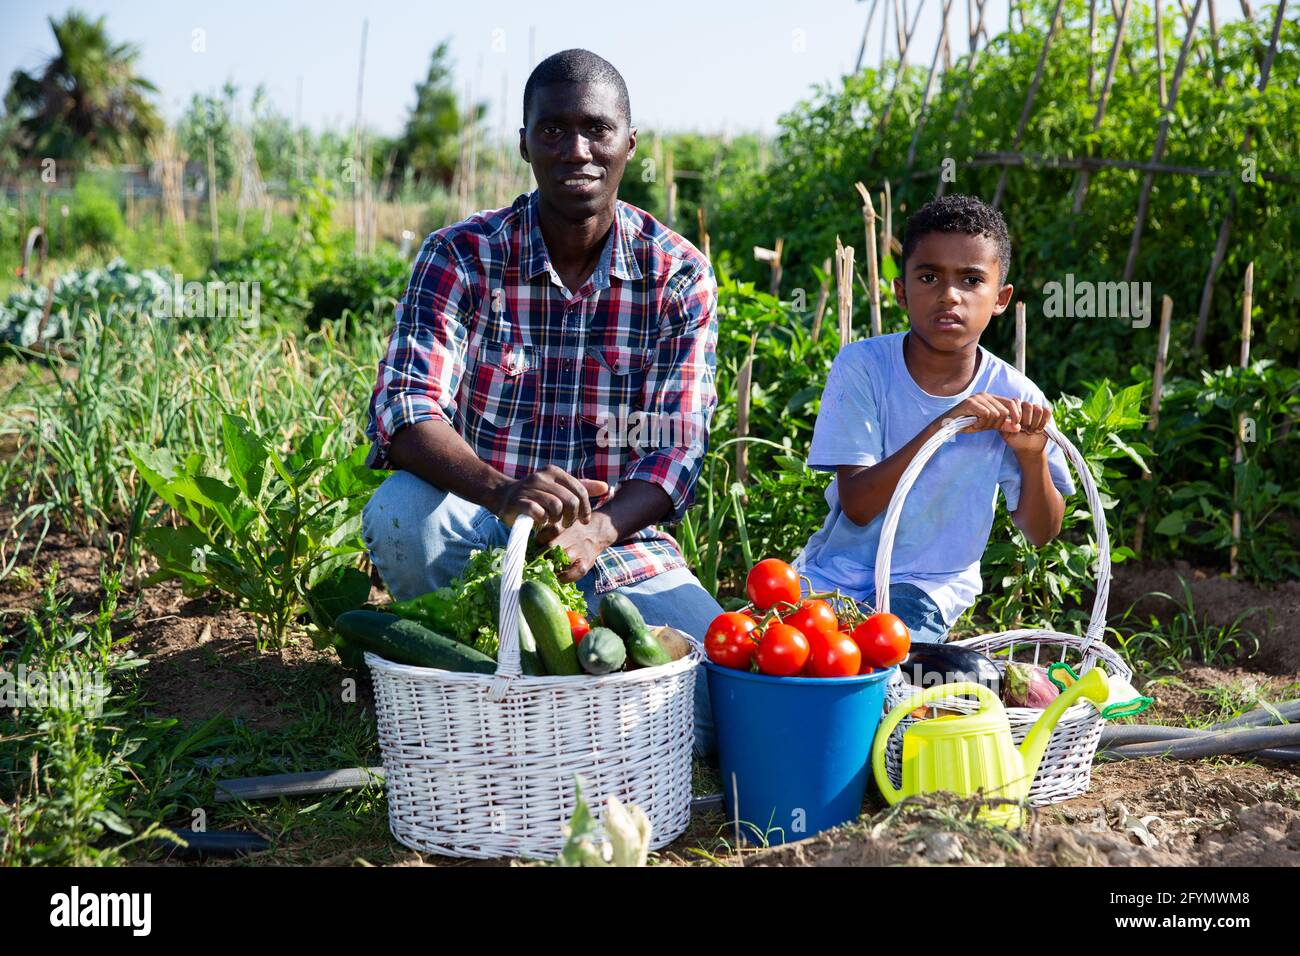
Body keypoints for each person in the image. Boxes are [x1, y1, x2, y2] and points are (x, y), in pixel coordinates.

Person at [361, 49, 722, 756]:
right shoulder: (462, 255)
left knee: (710, 707)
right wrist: (504, 493)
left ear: (629, 143)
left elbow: (677, 451)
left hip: (619, 546)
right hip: (482, 530)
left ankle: (537, 701)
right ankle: (486, 675)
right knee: (399, 513)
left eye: (596, 130)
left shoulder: (677, 274)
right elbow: (404, 410)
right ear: (523, 142)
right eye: (552, 131)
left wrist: (595, 531)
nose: (577, 150)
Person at [794, 194, 1075, 642]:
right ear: (901, 291)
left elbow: (1042, 533)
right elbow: (859, 506)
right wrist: (944, 424)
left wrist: (1032, 458)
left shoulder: (1015, 395)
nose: (949, 295)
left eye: (971, 280)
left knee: (887, 663)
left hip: (926, 587)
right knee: (771, 658)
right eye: (929, 277)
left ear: (1000, 298)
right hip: (835, 577)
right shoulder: (863, 367)